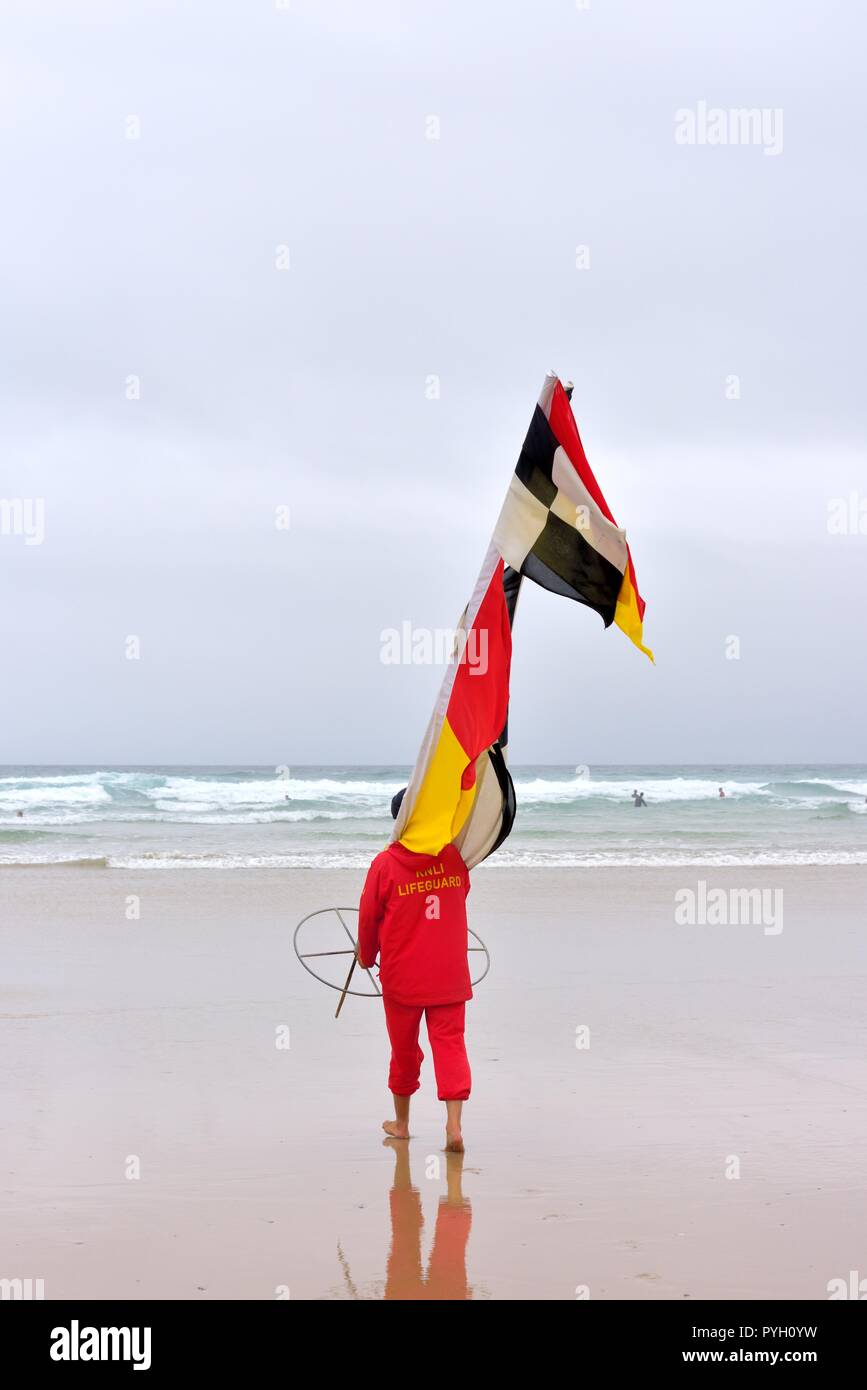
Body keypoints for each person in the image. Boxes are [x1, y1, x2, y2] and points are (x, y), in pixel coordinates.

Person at [357, 792, 472, 1154]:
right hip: (450, 975)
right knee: (450, 1046)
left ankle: (402, 1125)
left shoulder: (385, 864)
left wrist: (367, 954)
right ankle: (453, 1126)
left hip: (403, 977)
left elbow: (367, 916)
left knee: (404, 1049)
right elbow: (462, 893)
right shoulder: (453, 858)